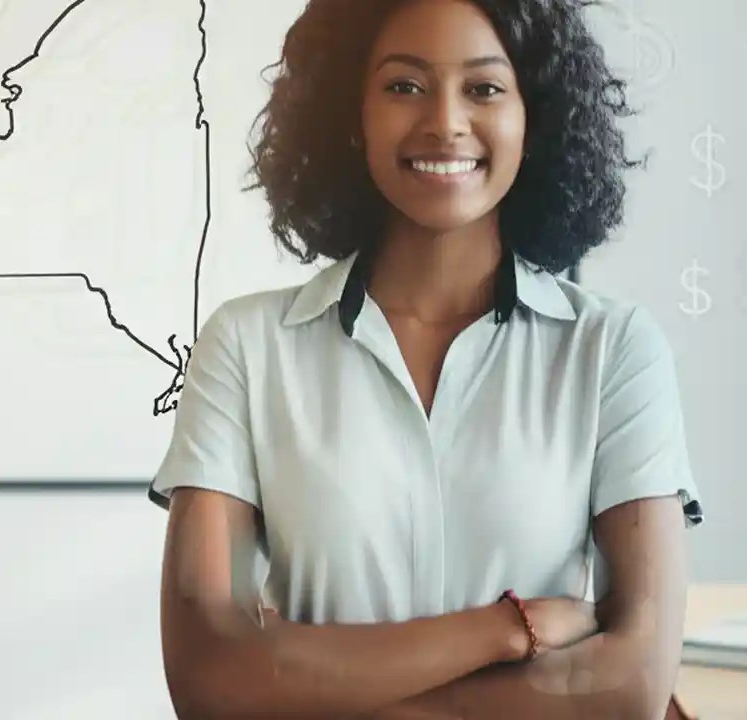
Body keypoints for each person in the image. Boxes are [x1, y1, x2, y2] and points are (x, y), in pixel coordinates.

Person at [148, 0, 705, 717]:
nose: (445, 121)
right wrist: (509, 630)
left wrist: (309, 691)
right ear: (350, 113)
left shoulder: (615, 349)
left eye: (484, 88)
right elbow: (208, 679)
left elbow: (633, 683)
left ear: (535, 116)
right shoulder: (245, 346)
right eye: (404, 86)